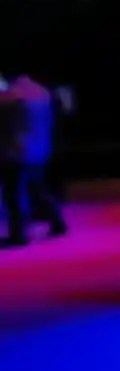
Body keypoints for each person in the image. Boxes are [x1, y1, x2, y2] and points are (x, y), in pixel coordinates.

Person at [1, 75, 67, 247]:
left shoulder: (13, 100)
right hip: (39, 151)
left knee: (15, 194)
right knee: (37, 190)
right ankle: (57, 222)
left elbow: (8, 127)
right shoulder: (43, 97)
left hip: (16, 153)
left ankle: (19, 234)